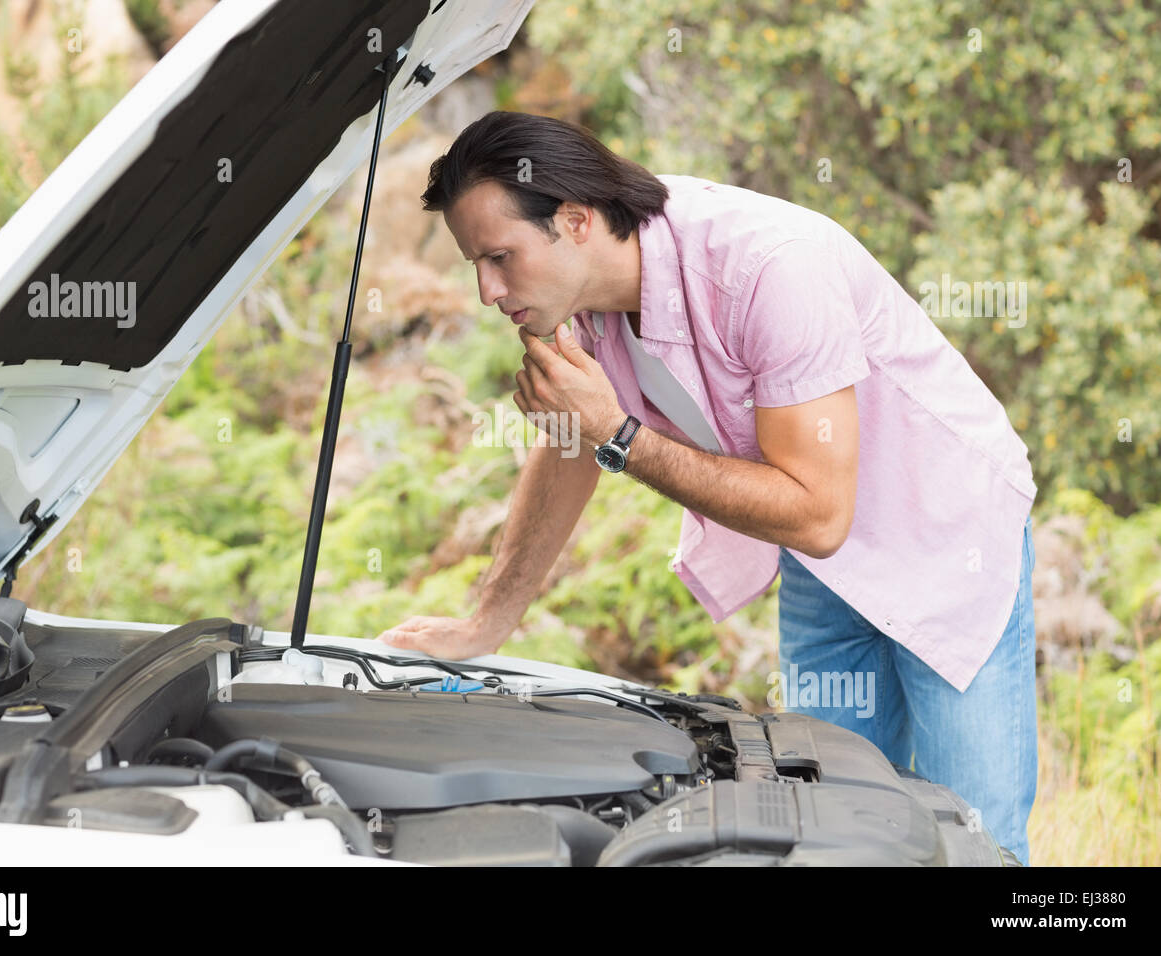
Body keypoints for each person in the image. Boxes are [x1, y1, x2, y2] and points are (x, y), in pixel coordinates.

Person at [378, 111, 1038, 865]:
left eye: (501, 257)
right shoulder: (580, 301)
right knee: (844, 832)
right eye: (475, 264)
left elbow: (818, 512)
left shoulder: (767, 267)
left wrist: (620, 438)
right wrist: (485, 623)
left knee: (977, 840)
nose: (488, 289)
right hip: (822, 567)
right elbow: (567, 450)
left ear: (576, 220)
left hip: (944, 537)